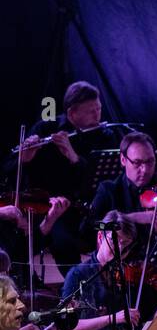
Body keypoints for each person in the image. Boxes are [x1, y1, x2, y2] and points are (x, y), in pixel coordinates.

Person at [7, 81, 121, 272]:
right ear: (72, 113)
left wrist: (74, 156)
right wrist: (24, 159)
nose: (97, 115)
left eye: (98, 109)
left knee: (117, 231)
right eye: (91, 111)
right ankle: (77, 288)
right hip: (52, 209)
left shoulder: (105, 135)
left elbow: (104, 178)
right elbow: (10, 171)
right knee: (64, 242)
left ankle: (113, 283)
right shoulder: (46, 128)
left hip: (90, 207)